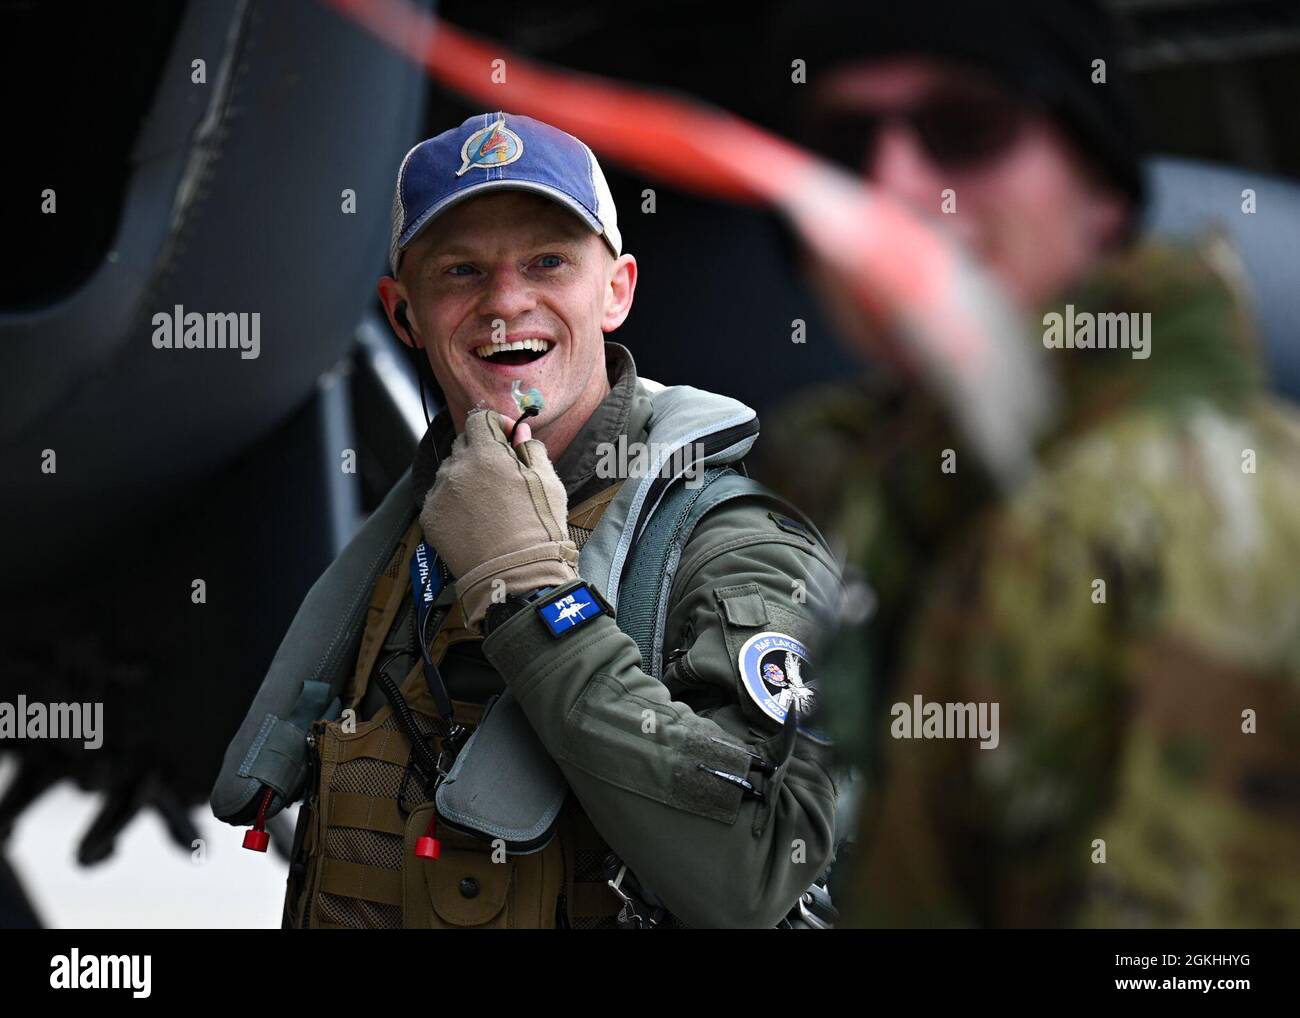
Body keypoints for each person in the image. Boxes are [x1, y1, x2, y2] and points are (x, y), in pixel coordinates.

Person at [211, 112, 842, 929]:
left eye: (548, 261)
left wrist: (536, 598)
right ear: (403, 315)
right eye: (462, 272)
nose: (506, 302)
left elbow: (758, 870)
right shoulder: (409, 540)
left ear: (615, 291)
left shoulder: (726, 550)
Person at [757, 1, 1300, 926]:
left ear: (1104, 197)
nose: (890, 187)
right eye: (842, 152)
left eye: (966, 129)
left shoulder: (1179, 515)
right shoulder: (859, 496)